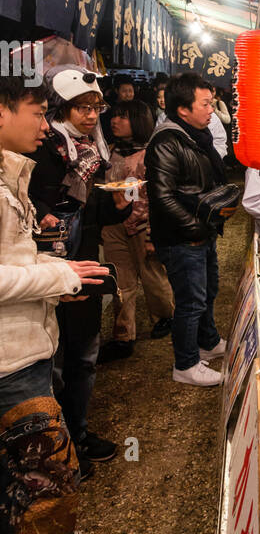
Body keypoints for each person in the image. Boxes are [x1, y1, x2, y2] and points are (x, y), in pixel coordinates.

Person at [0, 73, 108, 534]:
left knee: (32, 469)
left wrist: (47, 259)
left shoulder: (11, 175)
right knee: (36, 470)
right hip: (8, 358)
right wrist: (55, 274)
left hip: (24, 344)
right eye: (38, 114)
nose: (46, 125)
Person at [28, 68, 131, 472]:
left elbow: (92, 212)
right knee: (51, 357)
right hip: (46, 268)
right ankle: (58, 449)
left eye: (94, 107)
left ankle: (80, 433)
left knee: (85, 353)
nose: (91, 115)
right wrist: (44, 214)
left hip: (83, 260)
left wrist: (118, 204)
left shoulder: (89, 150)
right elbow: (31, 206)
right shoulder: (39, 149)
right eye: (80, 107)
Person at [145, 72, 228, 388]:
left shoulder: (198, 135)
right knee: (190, 301)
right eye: (205, 103)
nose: (211, 109)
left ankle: (208, 342)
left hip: (201, 231)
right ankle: (186, 363)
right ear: (183, 109)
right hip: (181, 236)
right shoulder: (167, 142)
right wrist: (195, 227)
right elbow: (162, 196)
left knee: (208, 292)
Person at [98, 100, 174, 360]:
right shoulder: (108, 150)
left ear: (139, 122)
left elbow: (160, 197)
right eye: (114, 116)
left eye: (123, 117)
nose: (114, 121)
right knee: (121, 281)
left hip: (142, 226)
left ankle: (166, 316)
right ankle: (123, 336)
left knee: (152, 275)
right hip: (114, 226)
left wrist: (153, 233)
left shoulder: (152, 154)